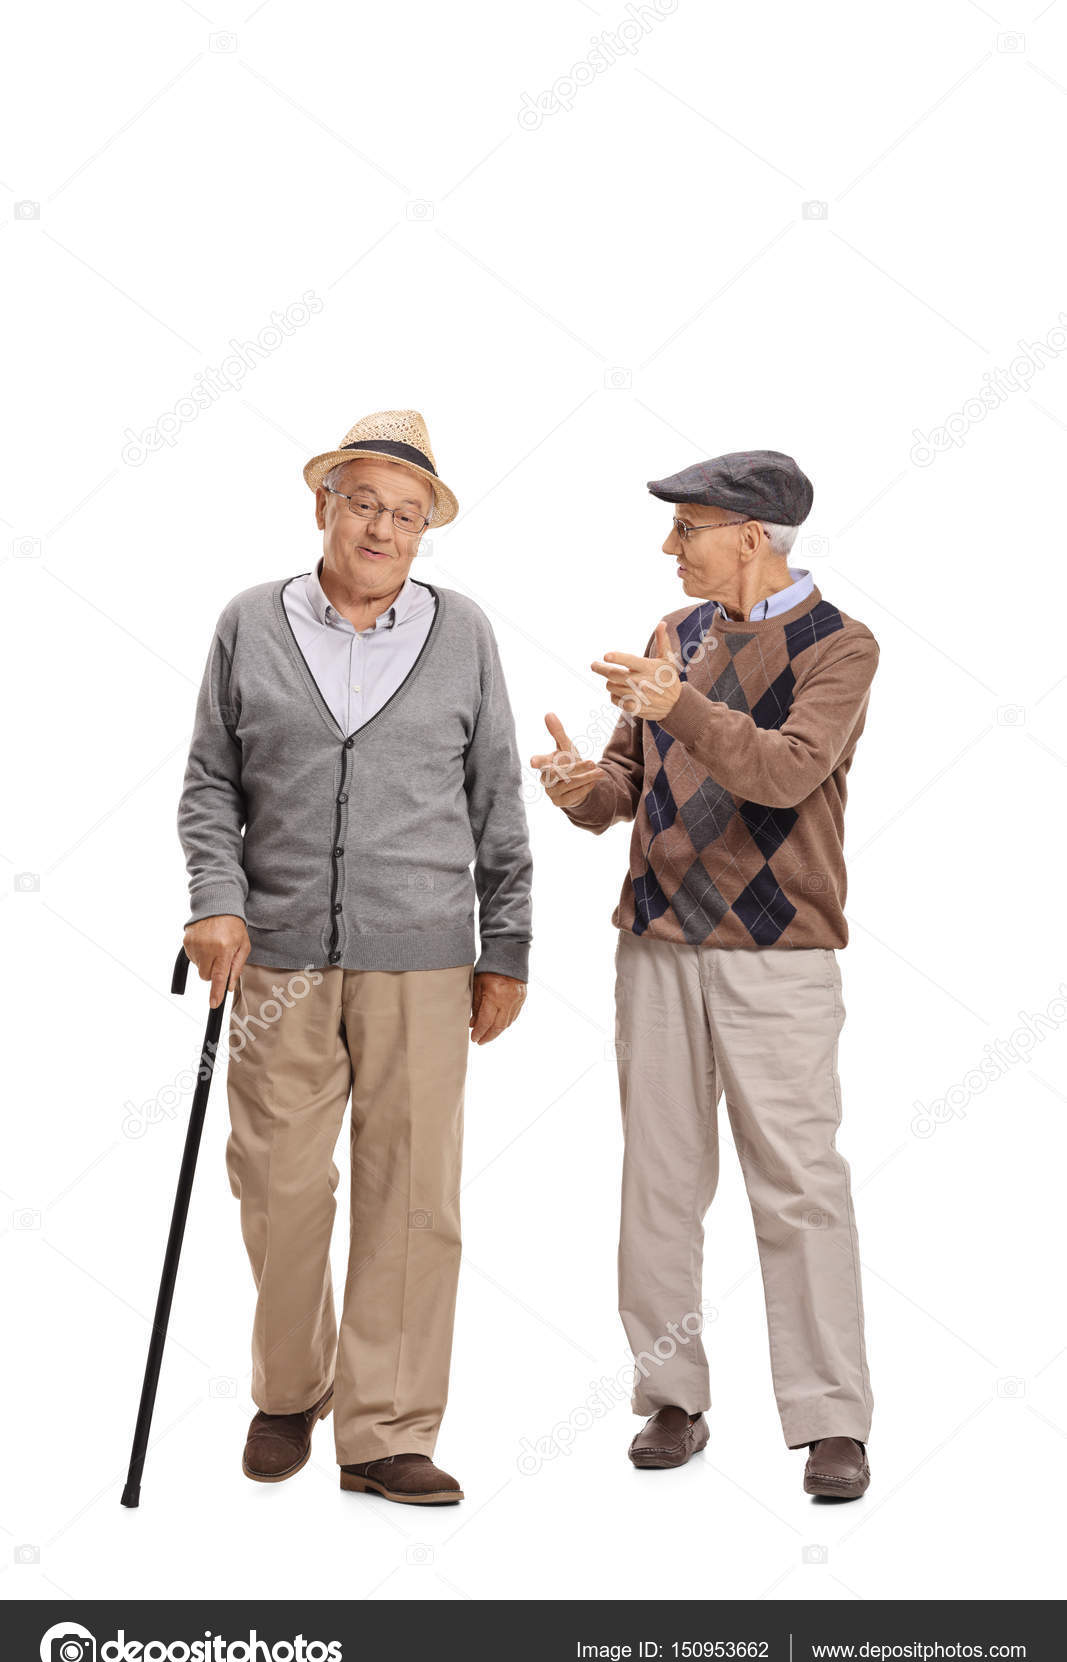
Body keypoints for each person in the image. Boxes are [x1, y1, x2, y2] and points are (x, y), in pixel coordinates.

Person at [178, 408, 532, 1505]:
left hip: (423, 958)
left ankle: (383, 1429)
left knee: (413, 1194)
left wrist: (506, 943)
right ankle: (291, 1389)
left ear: (426, 531)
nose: (382, 527)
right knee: (278, 1187)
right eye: (364, 502)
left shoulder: (462, 630)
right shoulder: (249, 620)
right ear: (322, 503)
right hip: (277, 957)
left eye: (406, 513)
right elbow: (210, 786)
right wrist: (216, 901)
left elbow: (496, 798)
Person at [532, 449, 878, 1499]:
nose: (667, 546)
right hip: (655, 944)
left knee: (799, 1188)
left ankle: (828, 1419)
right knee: (659, 1182)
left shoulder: (837, 646)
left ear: (749, 535)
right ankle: (669, 1397)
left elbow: (780, 773)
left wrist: (674, 703)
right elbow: (627, 787)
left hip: (776, 955)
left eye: (684, 528)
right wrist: (576, 784)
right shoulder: (669, 639)